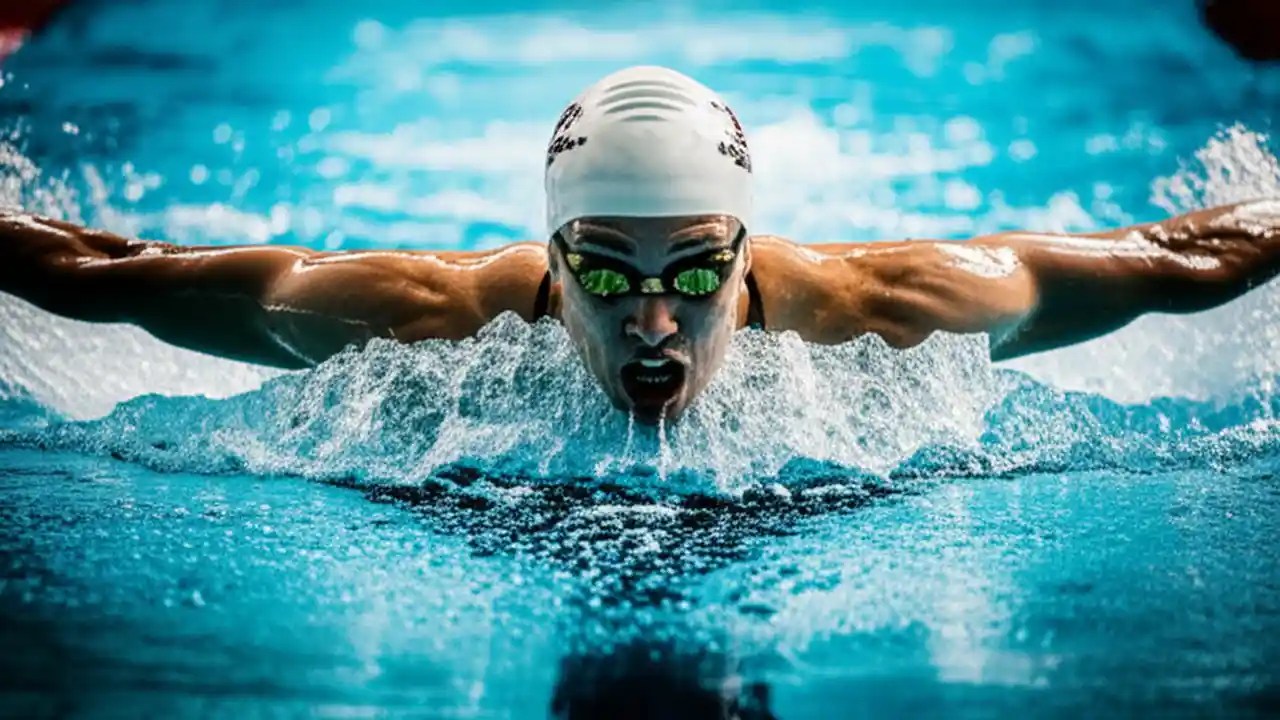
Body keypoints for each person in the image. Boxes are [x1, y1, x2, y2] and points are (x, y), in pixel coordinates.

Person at [1, 66, 1278, 423]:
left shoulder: (889, 308)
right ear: (551, 266)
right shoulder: (422, 317)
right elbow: (121, 275)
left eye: (694, 273)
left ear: (745, 253)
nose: (653, 320)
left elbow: (1178, 258)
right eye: (606, 273)